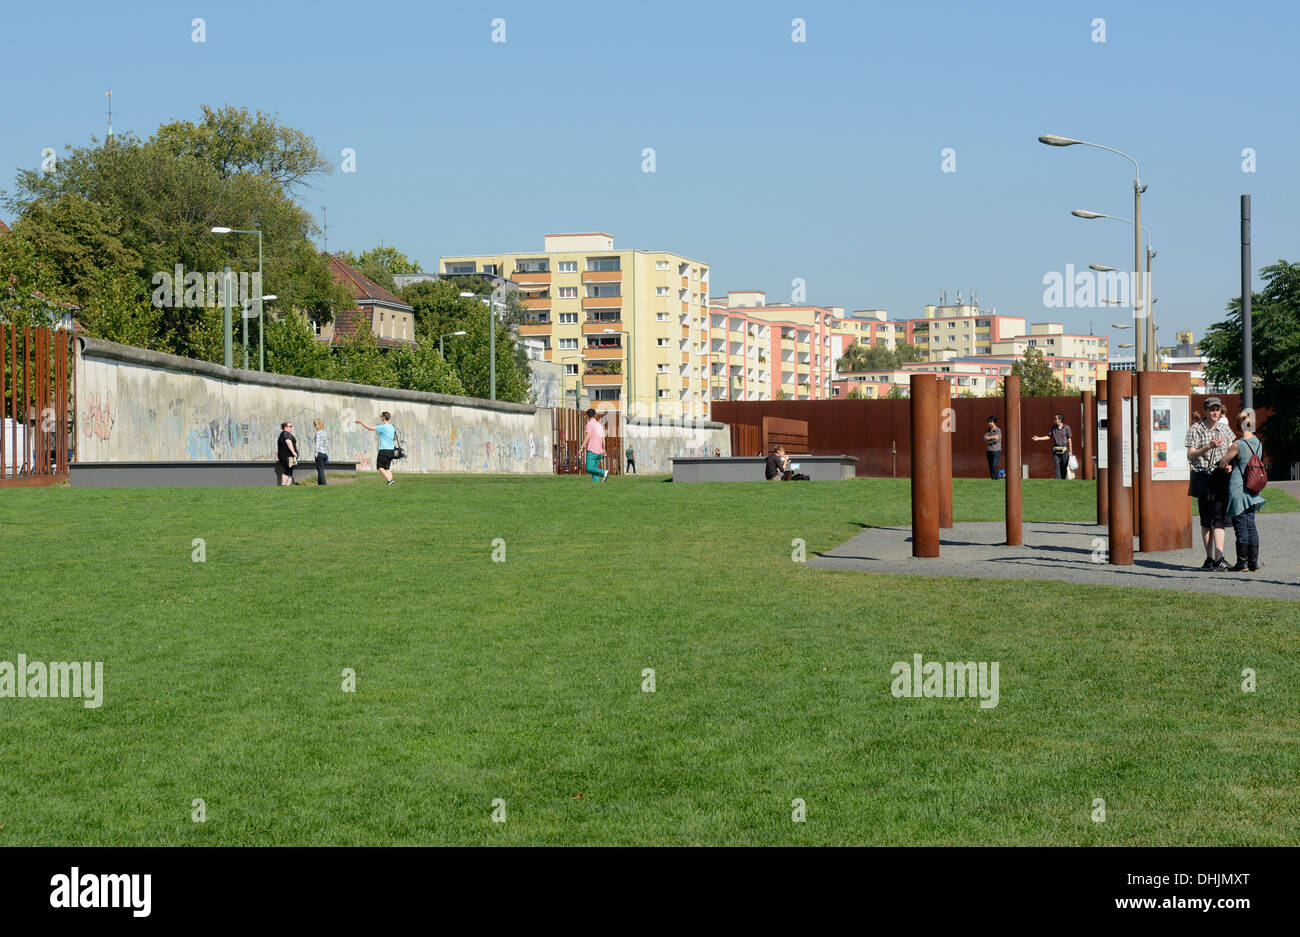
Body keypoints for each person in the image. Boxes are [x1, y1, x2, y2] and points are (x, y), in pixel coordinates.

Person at [1184, 398, 1235, 570]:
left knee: (1220, 518)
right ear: (1205, 411)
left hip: (1220, 477)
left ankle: (1220, 558)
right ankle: (1209, 558)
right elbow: (1191, 455)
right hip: (1203, 476)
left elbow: (1231, 449)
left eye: (1218, 409)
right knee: (1206, 520)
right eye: (1212, 409)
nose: (1215, 413)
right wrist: (1208, 447)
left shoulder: (1224, 428)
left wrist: (1228, 465)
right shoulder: (1195, 429)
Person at [1218, 411, 1265, 572]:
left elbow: (1223, 462)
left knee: (1240, 526)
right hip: (1253, 489)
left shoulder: (1238, 444)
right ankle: (1253, 563)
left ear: (1239, 425)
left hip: (1238, 488)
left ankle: (1242, 563)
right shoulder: (1258, 443)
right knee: (1251, 525)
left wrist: (1226, 465)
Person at [355, 412, 398, 485]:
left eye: (381, 416)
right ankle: (391, 481)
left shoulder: (383, 427)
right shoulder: (392, 427)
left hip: (384, 450)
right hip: (391, 450)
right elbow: (395, 438)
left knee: (379, 467)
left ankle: (390, 481)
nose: (381, 417)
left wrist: (360, 422)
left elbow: (370, 428)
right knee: (387, 468)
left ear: (384, 417)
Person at [1031, 413, 1073, 479]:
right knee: (1057, 465)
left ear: (1060, 420)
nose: (1054, 420)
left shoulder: (1067, 427)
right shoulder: (1053, 428)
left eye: (1055, 419)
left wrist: (1070, 450)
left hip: (1065, 448)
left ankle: (1063, 479)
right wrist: (1038, 438)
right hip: (1056, 448)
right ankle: (1057, 480)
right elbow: (1048, 436)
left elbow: (1069, 438)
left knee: (1064, 465)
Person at [579, 408, 608, 481]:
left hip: (592, 450)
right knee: (595, 471)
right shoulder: (600, 425)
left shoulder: (589, 424)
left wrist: (582, 447)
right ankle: (596, 486)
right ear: (595, 415)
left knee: (589, 468)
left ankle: (604, 472)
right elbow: (603, 438)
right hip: (600, 451)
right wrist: (604, 449)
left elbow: (588, 436)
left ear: (587, 416)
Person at [276, 421, 298, 486]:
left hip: (291, 456)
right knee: (286, 470)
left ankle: (288, 486)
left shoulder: (286, 434)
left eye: (292, 426)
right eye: (290, 426)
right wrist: (294, 452)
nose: (291, 428)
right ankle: (283, 485)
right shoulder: (285, 433)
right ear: (285, 427)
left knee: (290, 470)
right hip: (287, 456)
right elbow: (288, 443)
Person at [983, 415, 1003, 480]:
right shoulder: (988, 430)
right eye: (988, 422)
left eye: (990, 421)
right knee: (990, 466)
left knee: (994, 465)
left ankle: (997, 478)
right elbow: (984, 438)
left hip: (996, 451)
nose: (989, 423)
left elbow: (997, 439)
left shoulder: (998, 430)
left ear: (994, 422)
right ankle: (993, 479)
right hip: (989, 451)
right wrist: (993, 437)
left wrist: (989, 439)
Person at [312, 418, 329, 485]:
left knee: (320, 470)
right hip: (324, 453)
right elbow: (326, 444)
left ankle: (323, 484)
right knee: (320, 469)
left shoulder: (318, 433)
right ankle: (319, 484)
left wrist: (315, 454)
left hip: (319, 453)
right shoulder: (325, 433)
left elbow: (317, 444)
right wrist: (327, 454)